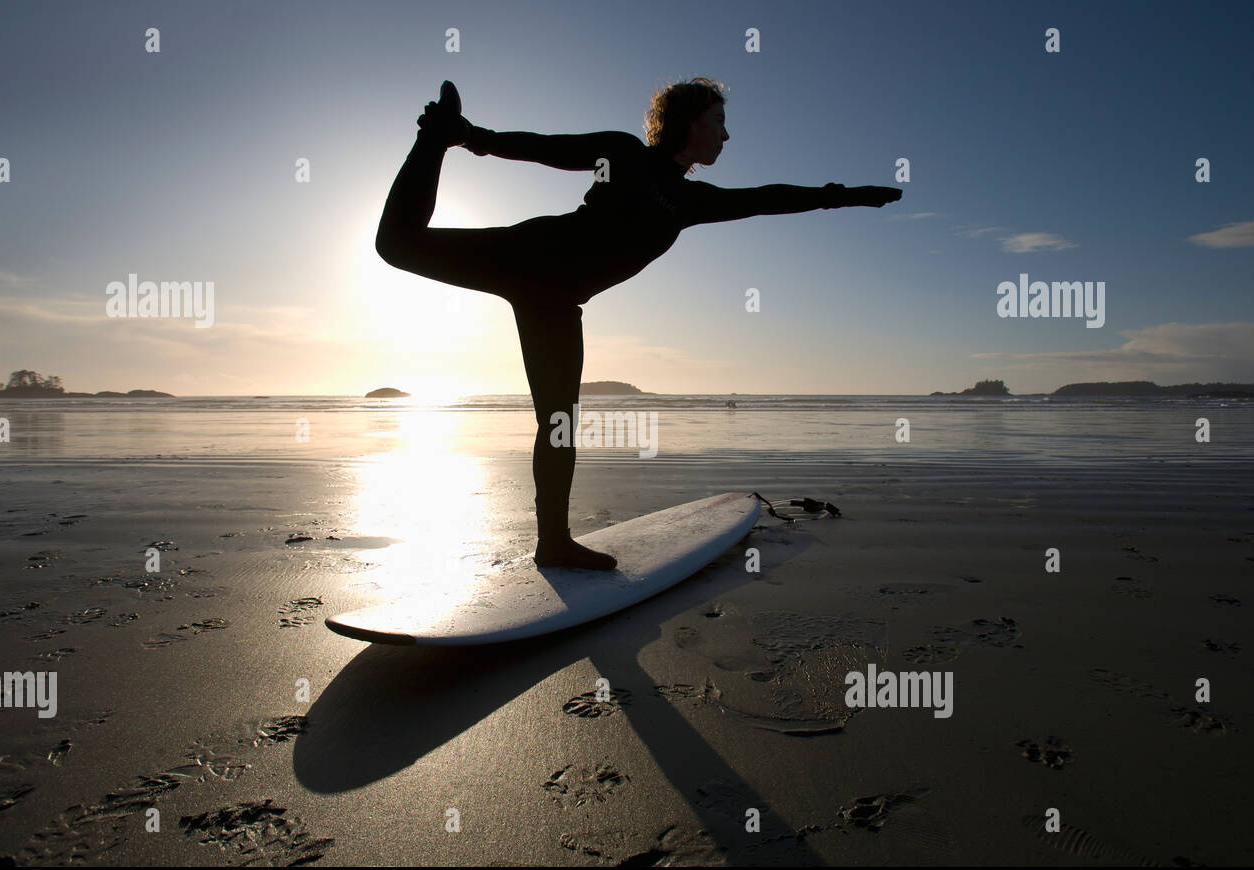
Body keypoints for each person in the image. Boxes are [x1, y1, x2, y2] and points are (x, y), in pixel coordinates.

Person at [375, 78, 902, 570]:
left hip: (557, 302)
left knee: (558, 423)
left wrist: (847, 195)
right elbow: (548, 149)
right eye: (718, 119)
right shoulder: (625, 154)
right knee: (395, 244)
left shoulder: (690, 201)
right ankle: (437, 136)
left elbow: (770, 198)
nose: (725, 132)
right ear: (688, 121)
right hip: (528, 253)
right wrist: (471, 136)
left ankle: (553, 543)